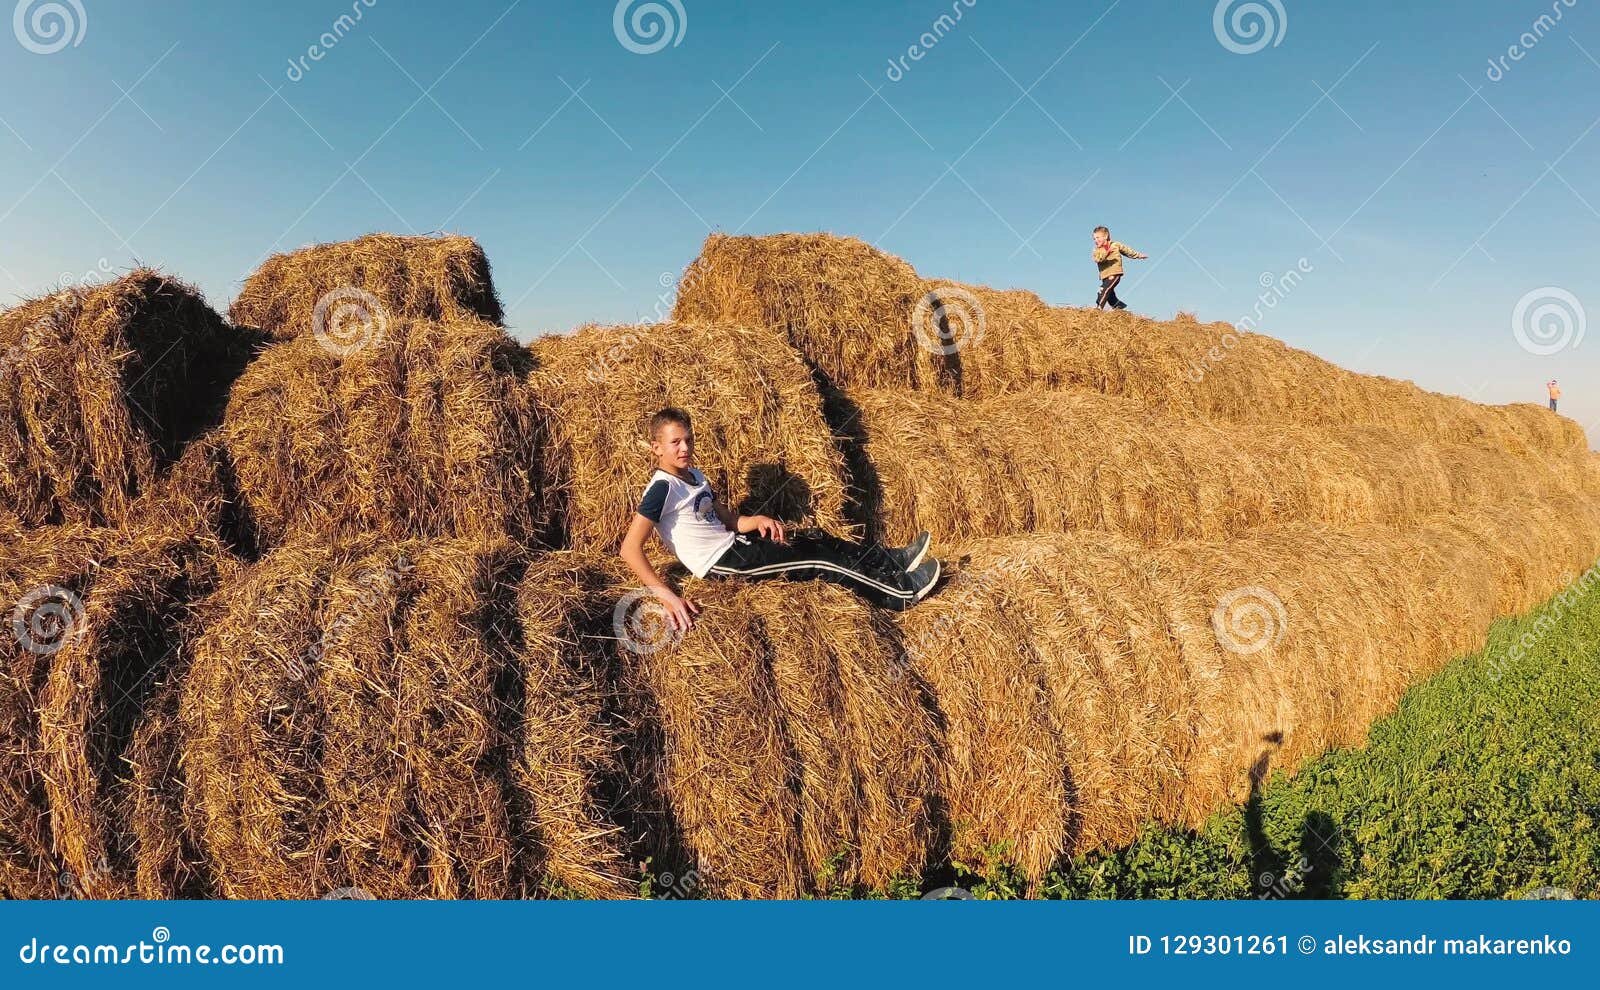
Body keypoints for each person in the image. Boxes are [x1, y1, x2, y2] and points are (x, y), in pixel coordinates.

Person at [619, 407, 939, 631]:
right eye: (675, 442)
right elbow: (630, 548)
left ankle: (890, 561)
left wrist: (756, 520)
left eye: (688, 439)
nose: (684, 447)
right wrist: (667, 596)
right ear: (656, 447)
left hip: (736, 541)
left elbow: (728, 519)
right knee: (817, 562)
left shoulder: (693, 475)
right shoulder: (662, 488)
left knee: (813, 538)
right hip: (724, 562)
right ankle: (900, 594)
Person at [1092, 225, 1147, 310]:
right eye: (1094, 239)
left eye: (1098, 237)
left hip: (1114, 273)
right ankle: (1119, 307)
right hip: (1104, 275)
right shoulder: (1097, 250)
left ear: (1105, 236)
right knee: (1110, 295)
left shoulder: (1115, 245)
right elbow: (1097, 259)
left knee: (1103, 289)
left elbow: (1127, 250)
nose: (1096, 240)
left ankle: (1098, 308)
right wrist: (1106, 253)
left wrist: (1138, 255)